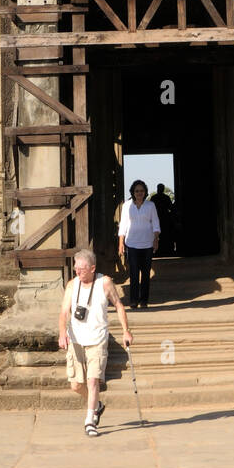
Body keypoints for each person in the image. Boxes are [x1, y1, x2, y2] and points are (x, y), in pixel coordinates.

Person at [59, 248, 131, 438]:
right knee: (75, 385)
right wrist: (61, 333)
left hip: (97, 339)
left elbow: (118, 304)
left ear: (92, 268)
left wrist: (125, 331)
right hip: (76, 340)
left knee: (92, 381)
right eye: (76, 269)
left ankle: (90, 420)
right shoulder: (72, 285)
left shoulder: (104, 282)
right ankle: (97, 405)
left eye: (82, 269)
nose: (78, 272)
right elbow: (64, 312)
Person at [118, 180, 160, 309]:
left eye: (141, 191)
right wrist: (121, 243)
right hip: (132, 243)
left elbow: (155, 223)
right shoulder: (127, 205)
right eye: (137, 191)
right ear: (133, 192)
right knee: (134, 273)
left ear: (145, 192)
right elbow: (123, 224)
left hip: (147, 243)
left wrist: (156, 239)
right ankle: (133, 301)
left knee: (146, 274)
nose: (139, 193)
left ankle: (144, 301)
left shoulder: (150, 205)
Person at [150, 183, 175, 256]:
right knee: (164, 235)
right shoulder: (165, 198)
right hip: (163, 219)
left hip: (160, 219)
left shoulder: (154, 198)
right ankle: (163, 250)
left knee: (161, 235)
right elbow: (171, 208)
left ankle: (158, 251)